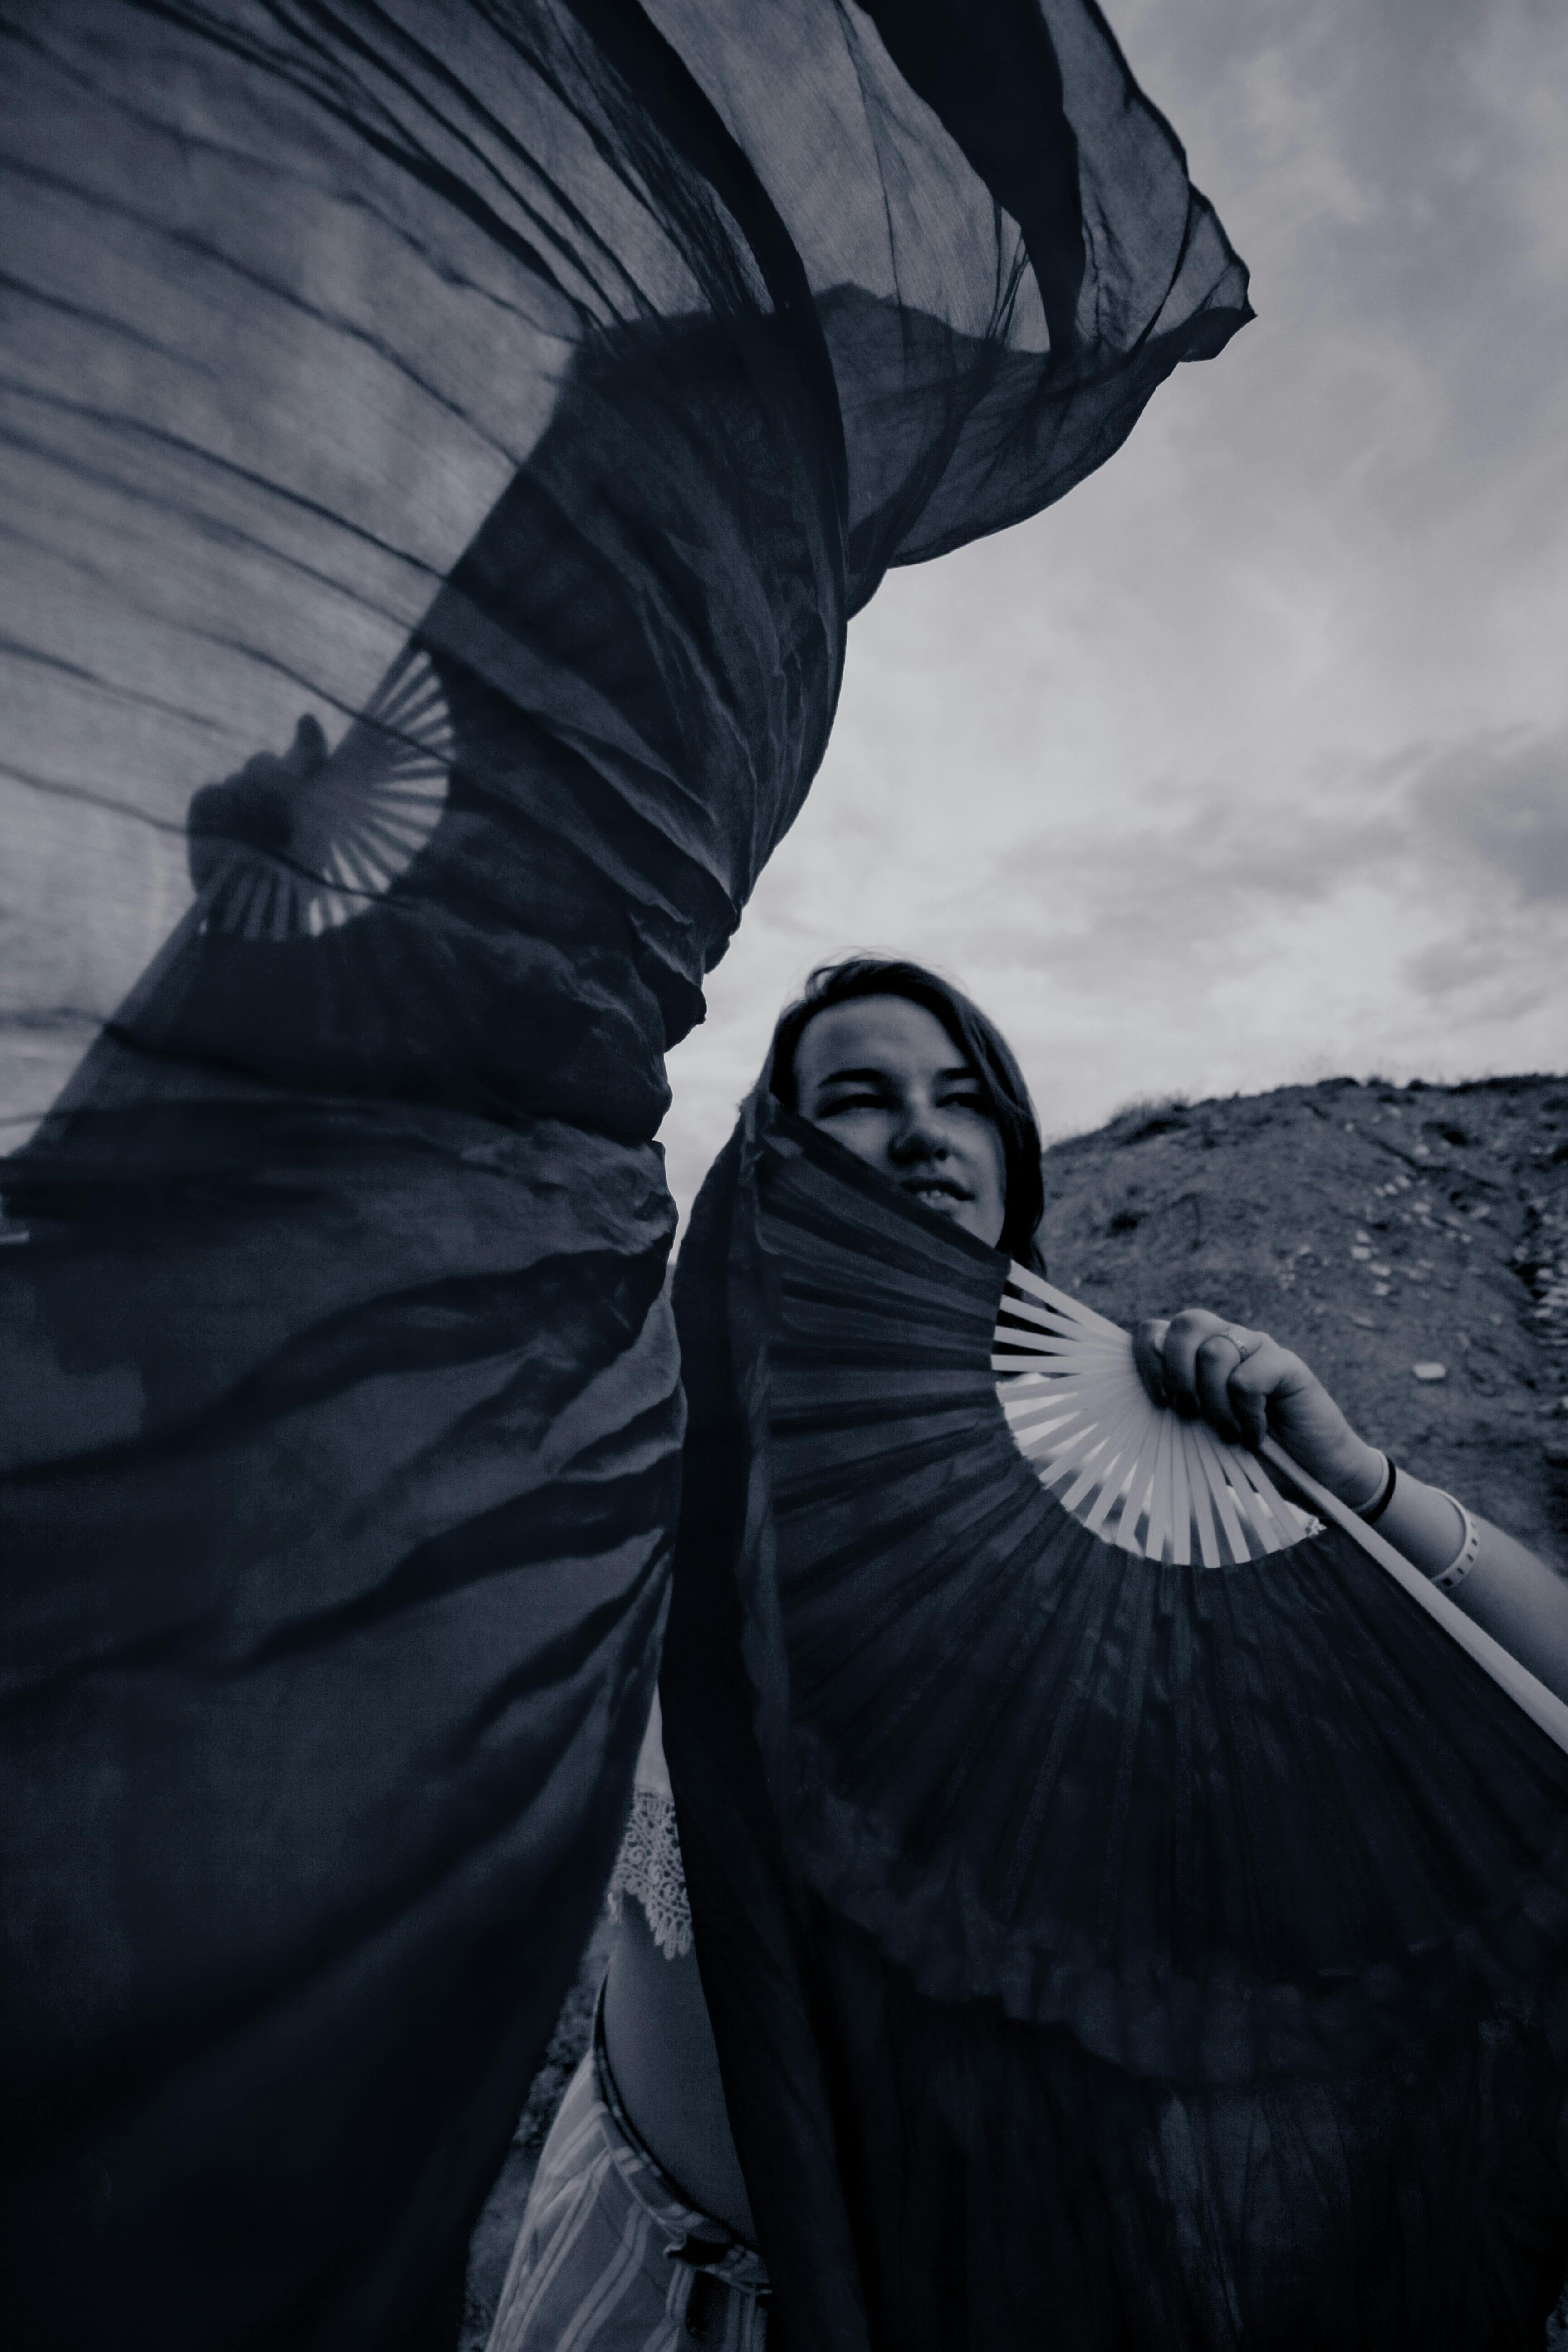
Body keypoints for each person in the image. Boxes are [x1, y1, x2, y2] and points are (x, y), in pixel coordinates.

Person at [488, 955, 1568, 2352]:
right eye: (860, 1100)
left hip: (1025, 2283)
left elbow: (1545, 1705)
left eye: (967, 1100)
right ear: (772, 1156)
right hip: (664, 2288)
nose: (926, 1132)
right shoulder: (654, 1433)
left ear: (1012, 1155)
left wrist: (1358, 1479)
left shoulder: (1139, 1466)